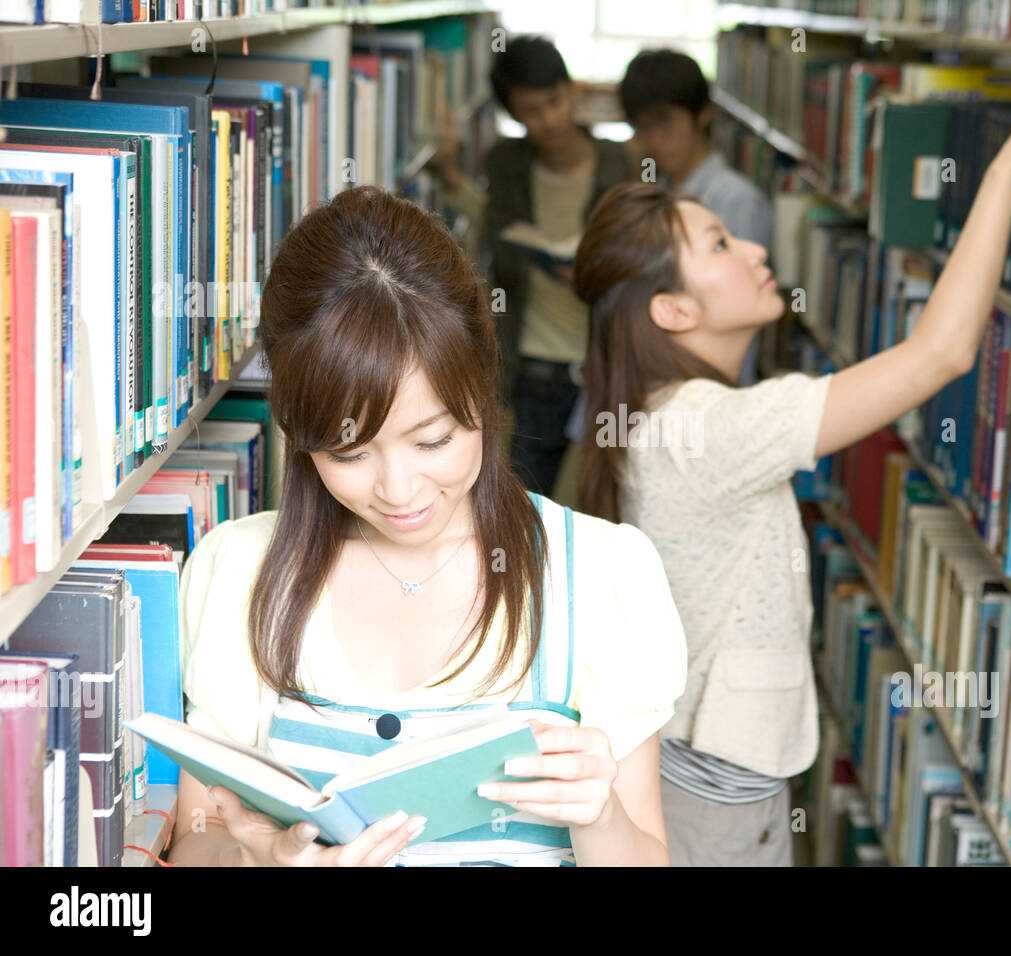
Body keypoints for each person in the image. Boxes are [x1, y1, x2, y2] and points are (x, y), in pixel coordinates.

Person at [572, 34, 1011, 866]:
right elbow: (942, 353)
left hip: (697, 772)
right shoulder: (711, 428)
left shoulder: (660, 415)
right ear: (673, 313)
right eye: (719, 245)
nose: (755, 250)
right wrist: (1008, 167)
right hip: (719, 796)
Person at [167, 186, 687, 867]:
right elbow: (198, 835)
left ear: (483, 388)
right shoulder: (242, 570)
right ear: (297, 434)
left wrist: (600, 815)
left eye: (434, 440)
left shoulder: (601, 573)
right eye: (349, 453)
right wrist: (261, 858)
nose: (399, 490)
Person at [437, 35, 632, 497]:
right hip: (534, 362)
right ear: (512, 114)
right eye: (530, 111)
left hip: (603, 359)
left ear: (572, 91)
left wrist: (595, 265)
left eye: (555, 101)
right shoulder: (507, 162)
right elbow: (496, 229)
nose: (548, 120)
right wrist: (449, 176)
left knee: (595, 500)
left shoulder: (618, 162)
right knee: (527, 496)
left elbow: (639, 251)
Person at [619, 47, 771, 388]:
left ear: (702, 114)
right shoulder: (655, 187)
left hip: (708, 387)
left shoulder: (737, 201)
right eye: (642, 128)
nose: (654, 140)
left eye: (665, 122)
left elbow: (740, 311)